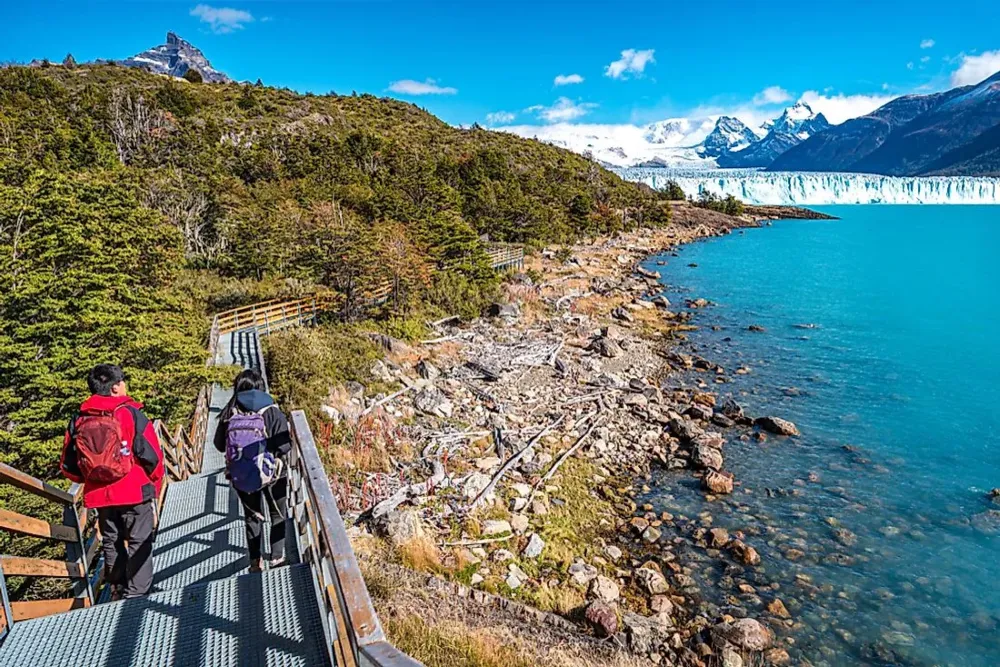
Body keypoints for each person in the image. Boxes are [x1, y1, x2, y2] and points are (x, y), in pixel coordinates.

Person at [60, 364, 163, 600]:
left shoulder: (79, 418)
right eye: (123, 381)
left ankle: (116, 588)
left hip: (100, 495)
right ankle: (137, 595)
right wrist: (154, 484)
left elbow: (68, 464)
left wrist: (91, 479)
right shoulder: (129, 412)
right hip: (134, 488)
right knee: (139, 540)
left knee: (111, 540)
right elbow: (152, 455)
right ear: (116, 387)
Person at [214, 369, 291, 572]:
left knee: (252, 517)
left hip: (242, 473)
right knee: (277, 514)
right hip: (273, 472)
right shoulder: (271, 410)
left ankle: (255, 562)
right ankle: (277, 558)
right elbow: (285, 445)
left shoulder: (230, 412)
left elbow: (219, 445)